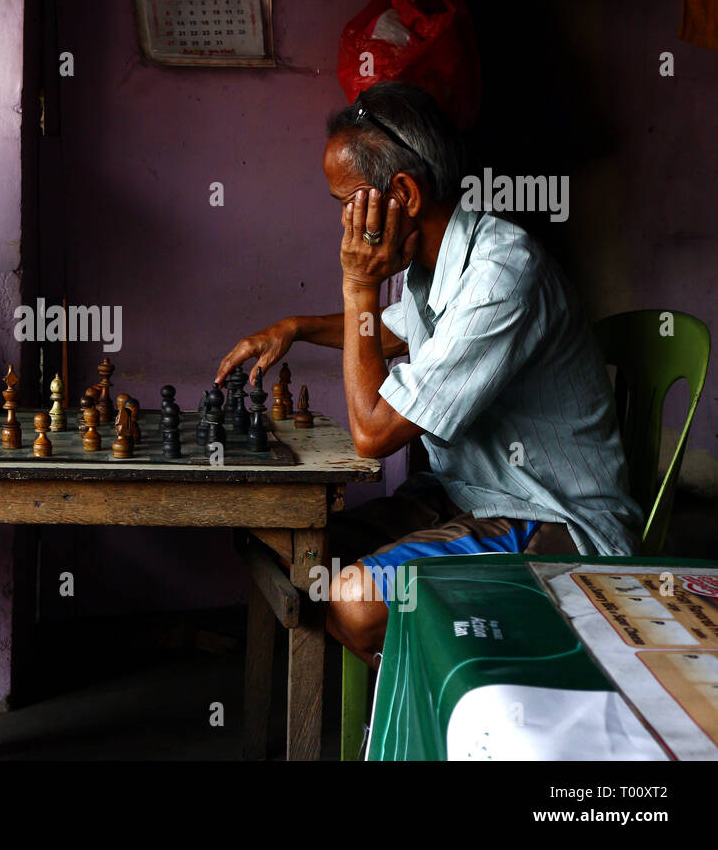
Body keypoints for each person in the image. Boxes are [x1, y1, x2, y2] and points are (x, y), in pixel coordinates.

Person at [216, 81, 641, 666]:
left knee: (357, 601)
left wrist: (358, 283)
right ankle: (424, 682)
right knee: (293, 549)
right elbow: (390, 334)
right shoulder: (433, 262)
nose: (342, 221)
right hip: (467, 496)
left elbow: (372, 434)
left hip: (551, 517)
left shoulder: (501, 274)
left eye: (347, 201)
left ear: (405, 193)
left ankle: (441, 714)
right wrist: (292, 326)